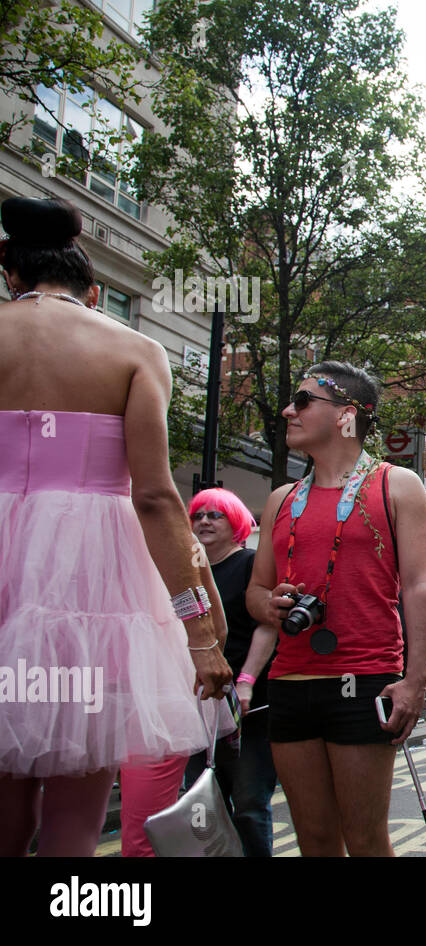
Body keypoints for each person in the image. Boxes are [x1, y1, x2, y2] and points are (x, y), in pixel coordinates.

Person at [0, 197, 230, 857]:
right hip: (89, 583)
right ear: (93, 291)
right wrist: (199, 634)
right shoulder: (134, 351)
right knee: (77, 812)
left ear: (10, 273)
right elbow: (156, 498)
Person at [244, 361, 426, 856]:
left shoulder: (397, 485)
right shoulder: (280, 499)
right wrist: (269, 604)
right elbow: (256, 591)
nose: (289, 409)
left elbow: (418, 587)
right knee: (314, 840)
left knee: (366, 840)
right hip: (288, 683)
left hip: (364, 678)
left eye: (304, 401)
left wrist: (415, 682)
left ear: (346, 415)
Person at [182, 487, 280, 855]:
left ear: (235, 521)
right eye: (198, 515)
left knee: (250, 807)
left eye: (215, 515)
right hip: (199, 707)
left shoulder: (250, 564)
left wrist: (247, 681)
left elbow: (267, 625)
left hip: (249, 709)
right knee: (203, 808)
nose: (204, 521)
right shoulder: (188, 572)